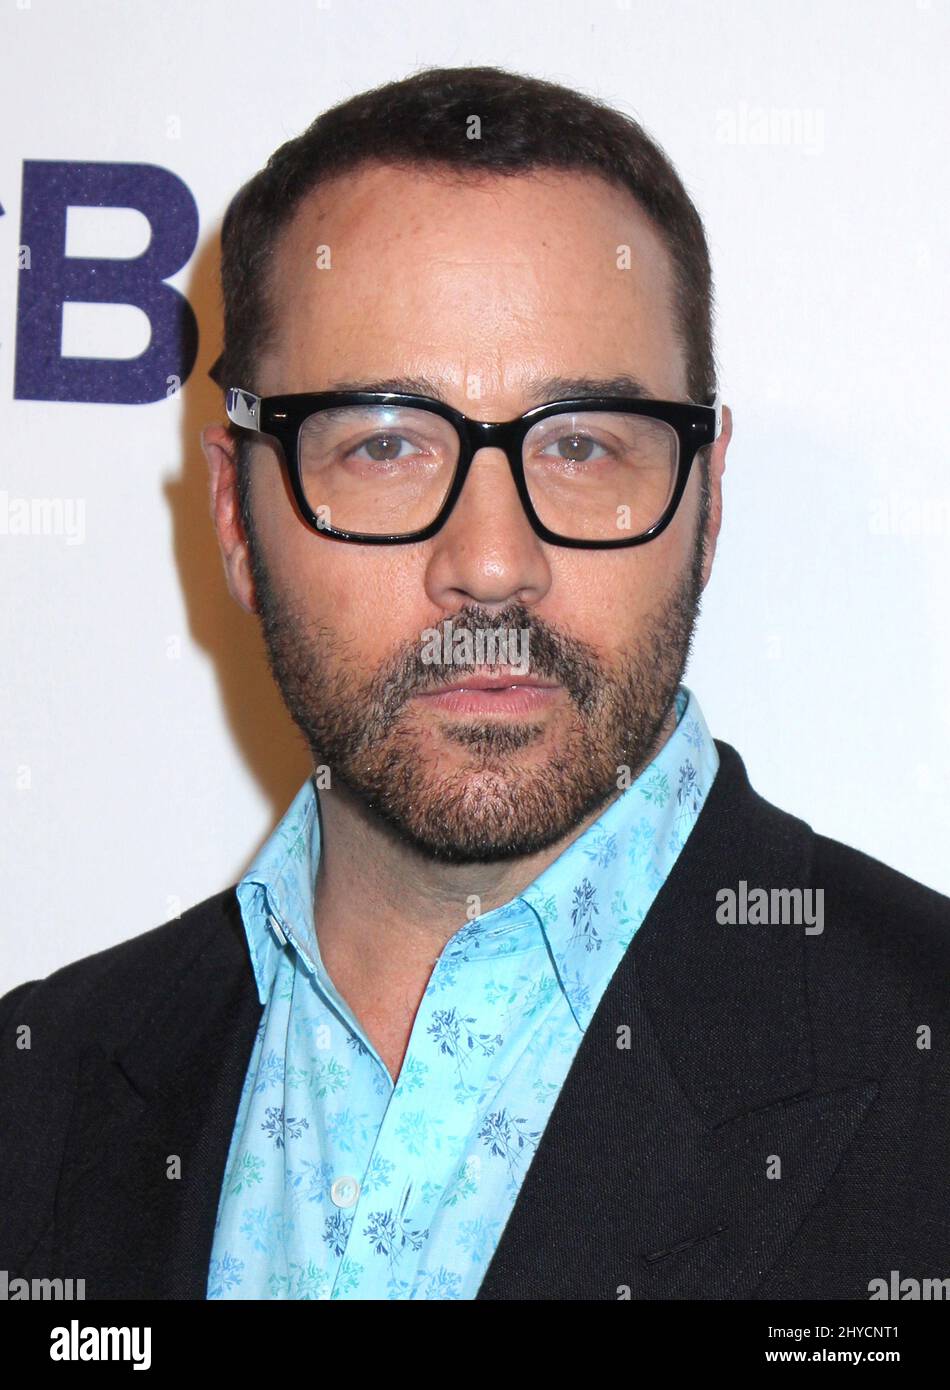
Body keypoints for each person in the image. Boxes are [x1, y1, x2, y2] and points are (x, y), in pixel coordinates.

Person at [2, 65, 948, 1302]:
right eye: (386, 444)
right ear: (236, 513)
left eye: (580, 444)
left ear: (706, 499)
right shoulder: (38, 1097)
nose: (491, 565)